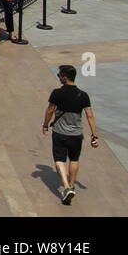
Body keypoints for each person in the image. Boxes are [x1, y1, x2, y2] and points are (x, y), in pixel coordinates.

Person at [42, 64, 99, 206]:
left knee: (59, 160)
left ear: (65, 78)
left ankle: (66, 187)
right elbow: (90, 116)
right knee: (74, 159)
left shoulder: (57, 93)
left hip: (60, 133)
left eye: (59, 75)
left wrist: (45, 125)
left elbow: (50, 110)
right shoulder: (83, 95)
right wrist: (94, 135)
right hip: (76, 134)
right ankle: (72, 186)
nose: (58, 77)